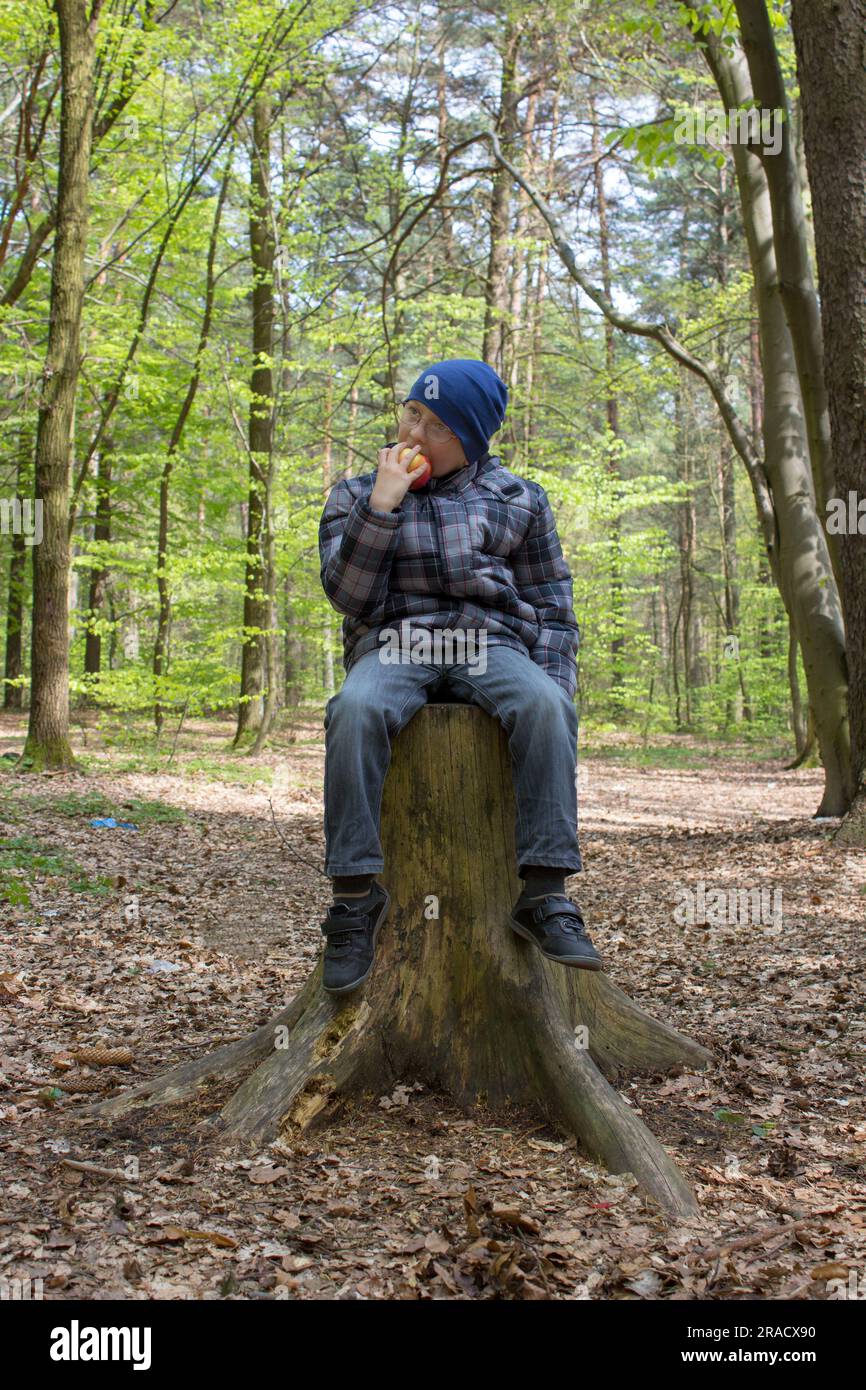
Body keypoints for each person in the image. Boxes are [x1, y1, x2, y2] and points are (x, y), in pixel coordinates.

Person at [316, 357, 602, 994]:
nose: (414, 435)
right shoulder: (356, 493)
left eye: (437, 427)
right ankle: (355, 898)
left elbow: (552, 603)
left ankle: (545, 894)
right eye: (413, 413)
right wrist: (381, 509)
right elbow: (347, 595)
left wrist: (554, 685)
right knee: (354, 711)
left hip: (489, 643)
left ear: (470, 441)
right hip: (395, 640)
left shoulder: (517, 499)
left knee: (546, 707)